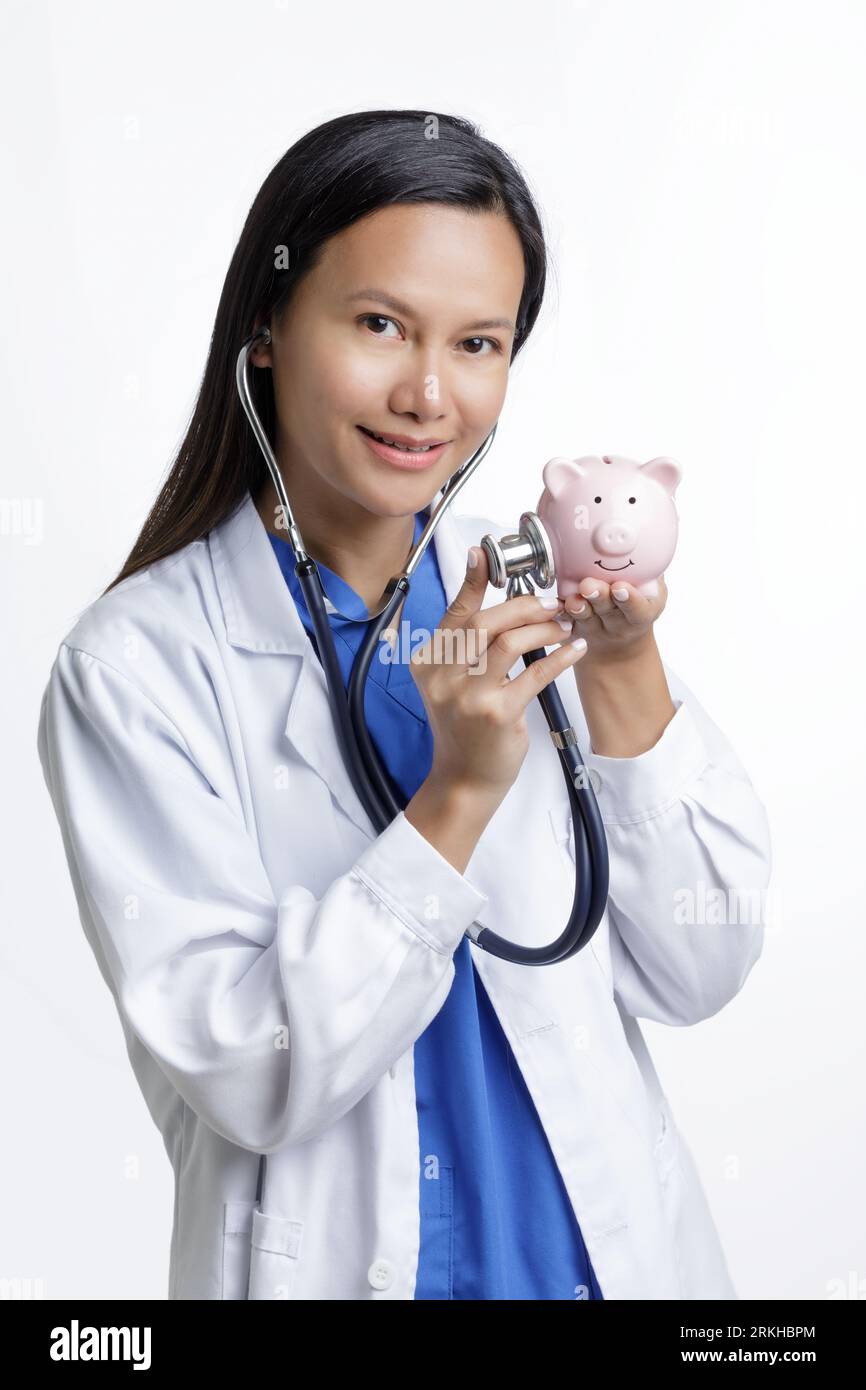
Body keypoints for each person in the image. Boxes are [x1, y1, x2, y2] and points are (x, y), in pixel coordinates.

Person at [36, 108, 771, 1301]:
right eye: (380, 324)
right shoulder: (138, 667)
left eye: (478, 343)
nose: (430, 392)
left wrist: (622, 666)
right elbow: (249, 1070)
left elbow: (699, 966)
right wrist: (457, 797)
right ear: (266, 328)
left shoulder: (524, 581)